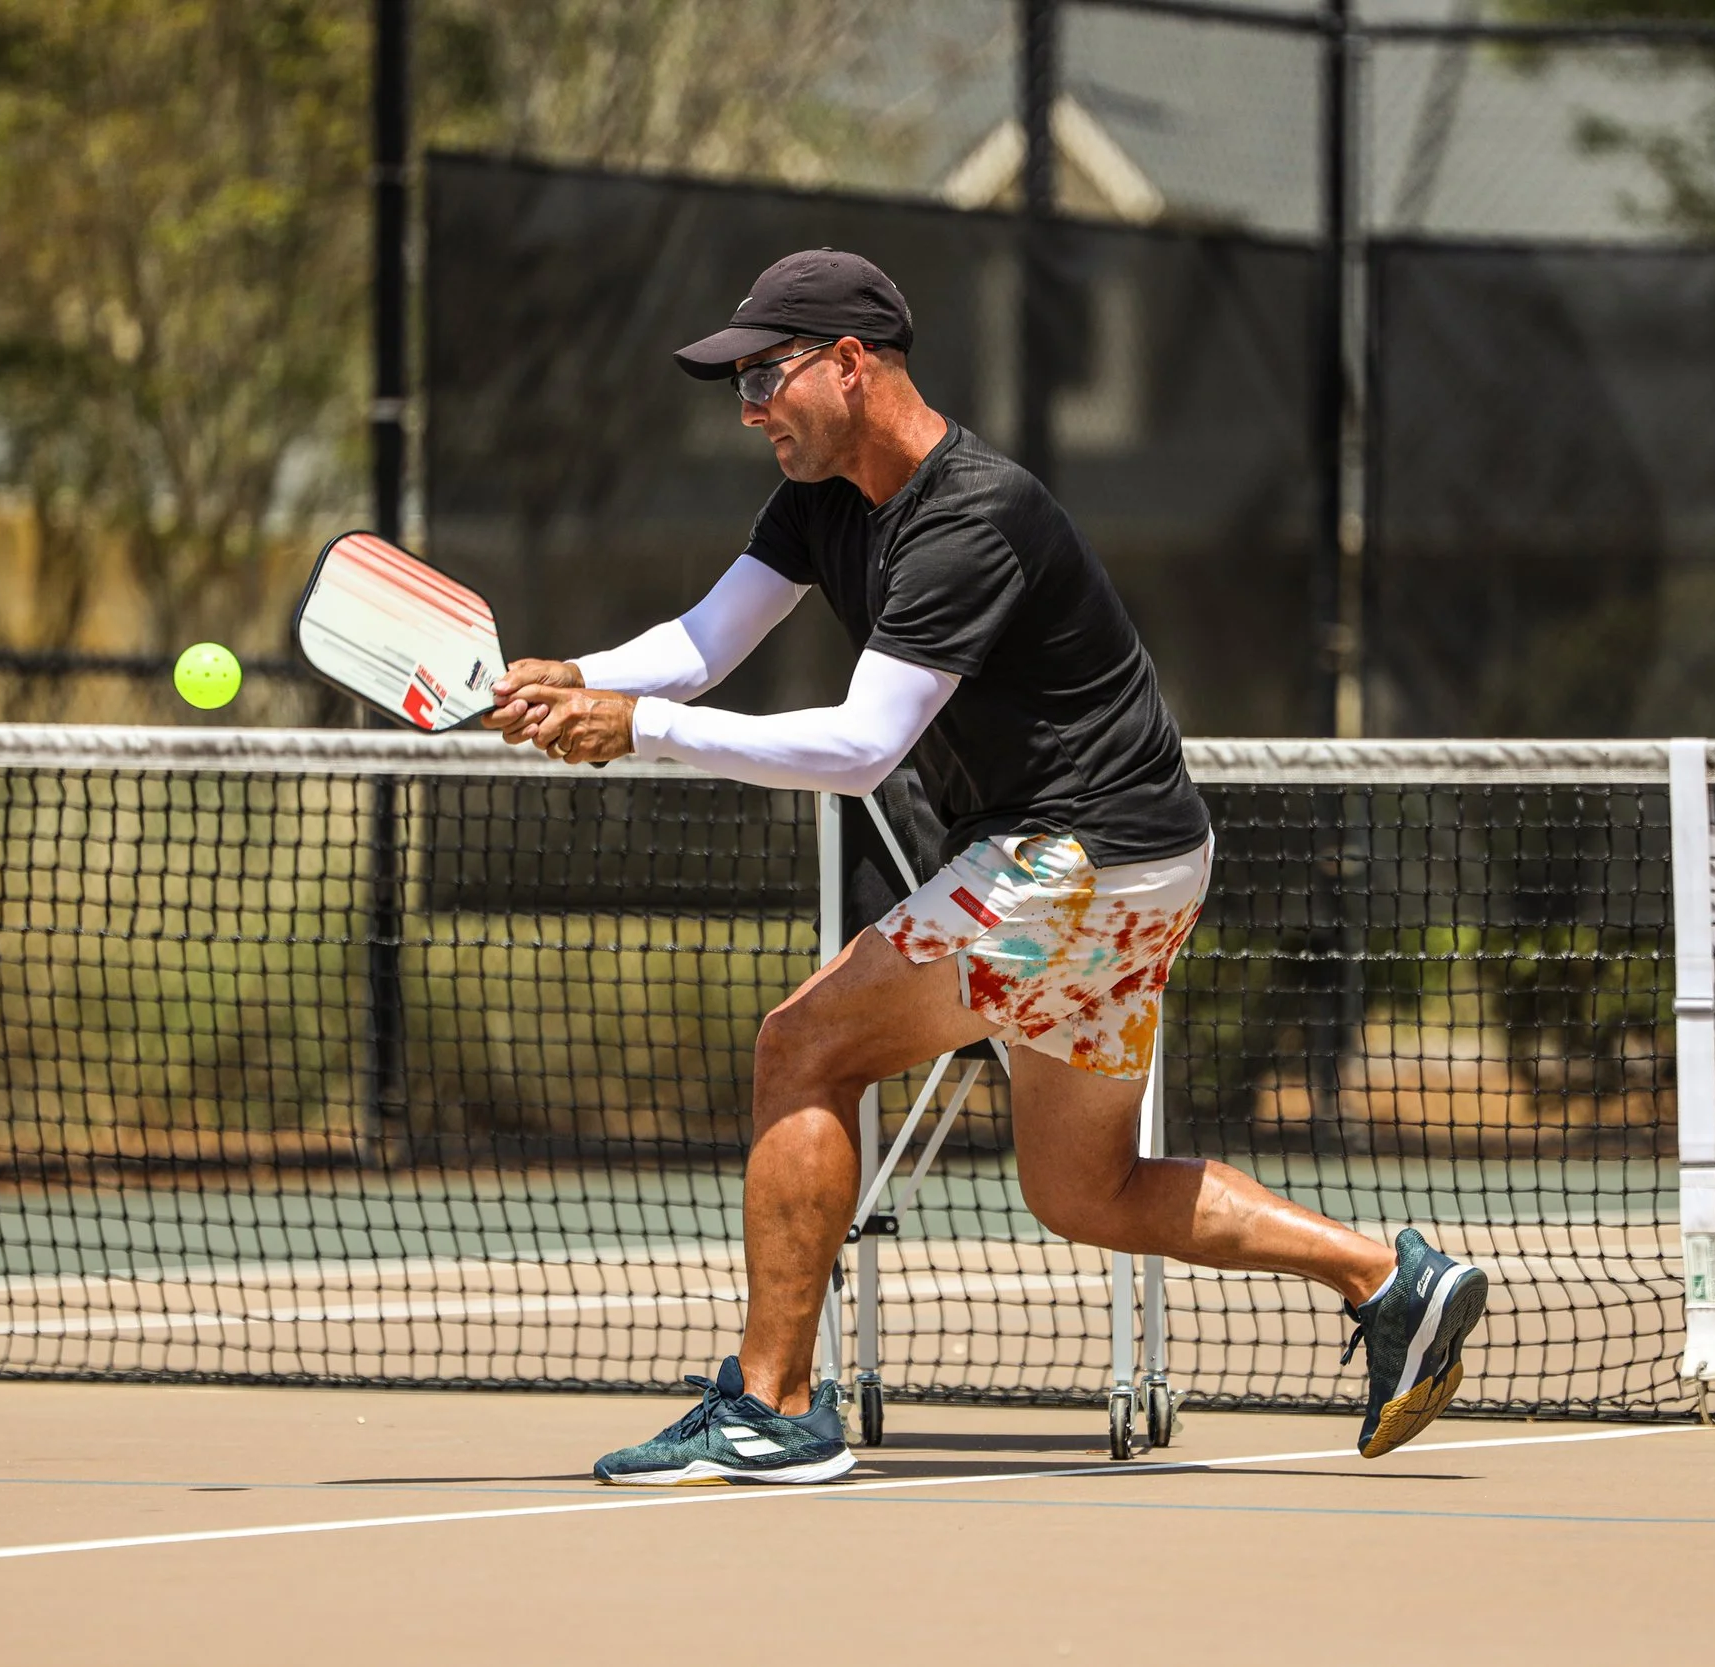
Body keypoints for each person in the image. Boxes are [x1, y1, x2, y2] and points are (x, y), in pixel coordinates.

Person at [489, 249, 1487, 1486]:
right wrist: (584, 677)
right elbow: (700, 643)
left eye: (764, 374)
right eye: (734, 382)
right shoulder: (816, 496)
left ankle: (773, 1406)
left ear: (851, 363)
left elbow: (861, 747)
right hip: (1138, 866)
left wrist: (636, 729)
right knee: (1086, 1186)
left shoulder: (972, 512)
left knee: (804, 1047)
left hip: (1073, 859)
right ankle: (1388, 1277)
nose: (747, 407)